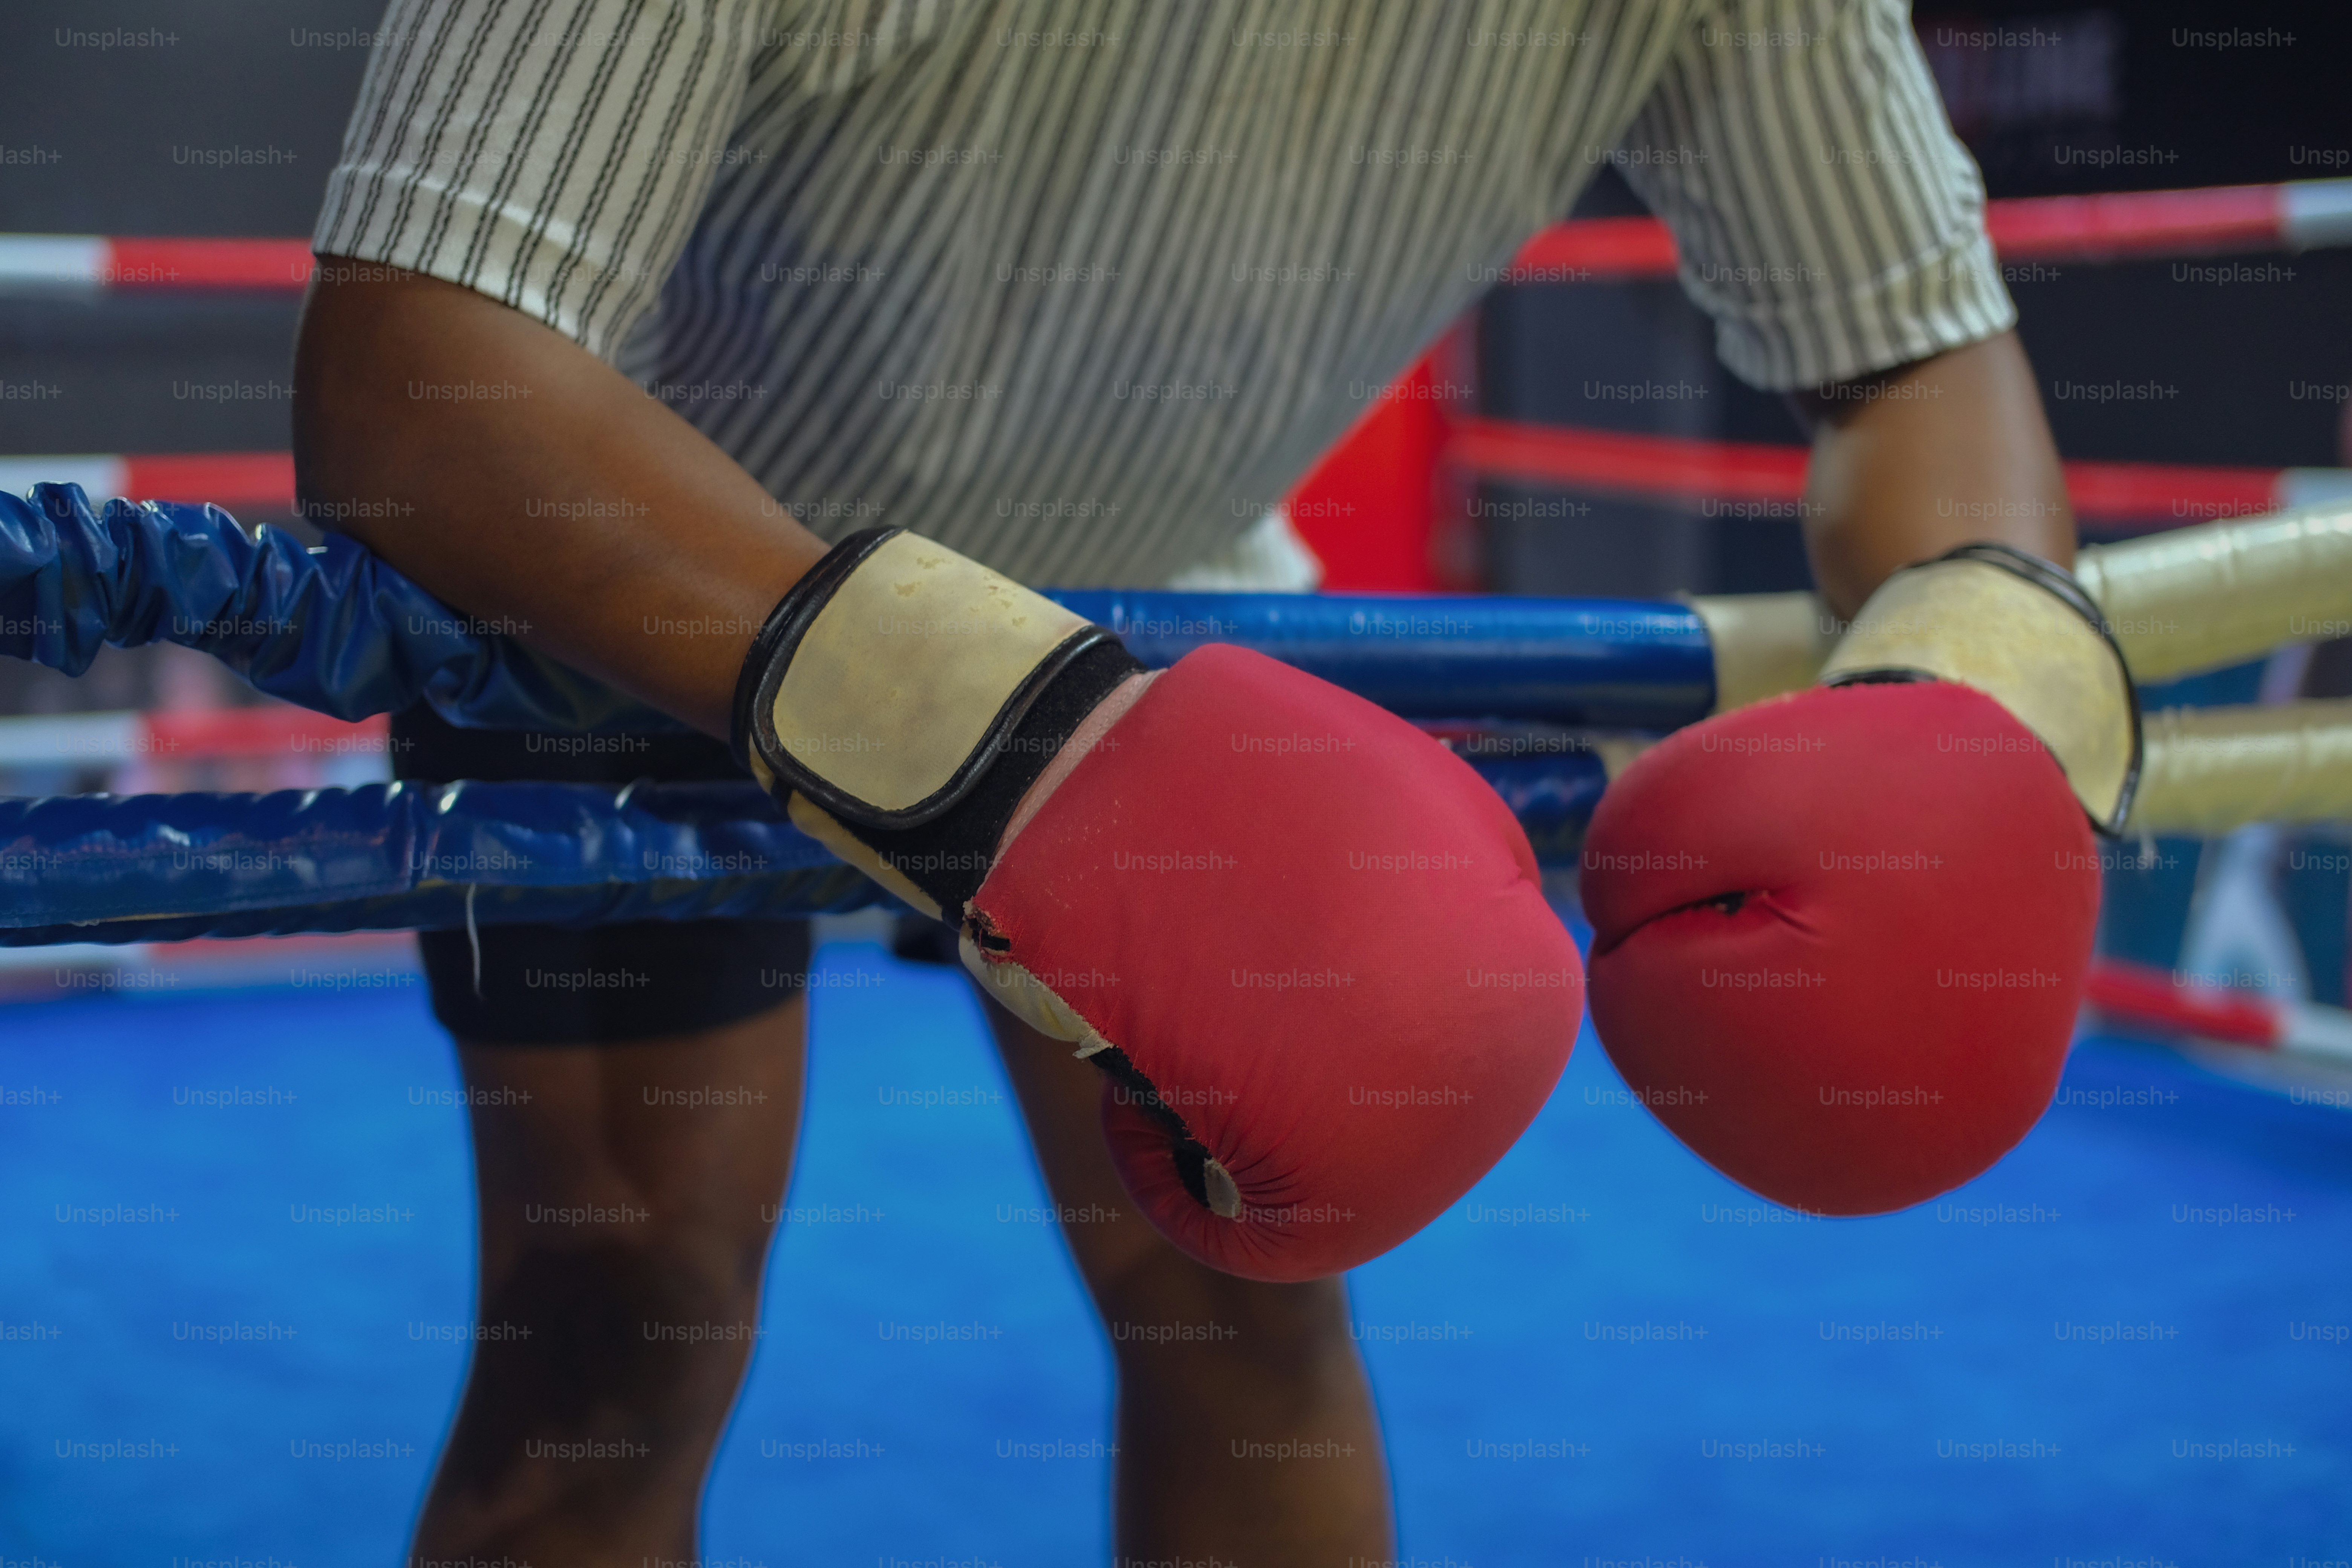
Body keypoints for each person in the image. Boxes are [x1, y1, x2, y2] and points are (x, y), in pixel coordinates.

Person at [292, 2, 2078, 1560]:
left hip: (1178, 598)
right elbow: (421, 365)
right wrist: (1028, 750)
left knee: (1250, 1307)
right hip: (634, 601)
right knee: (618, 1325)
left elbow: (1915, 350)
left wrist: (1969, 700)